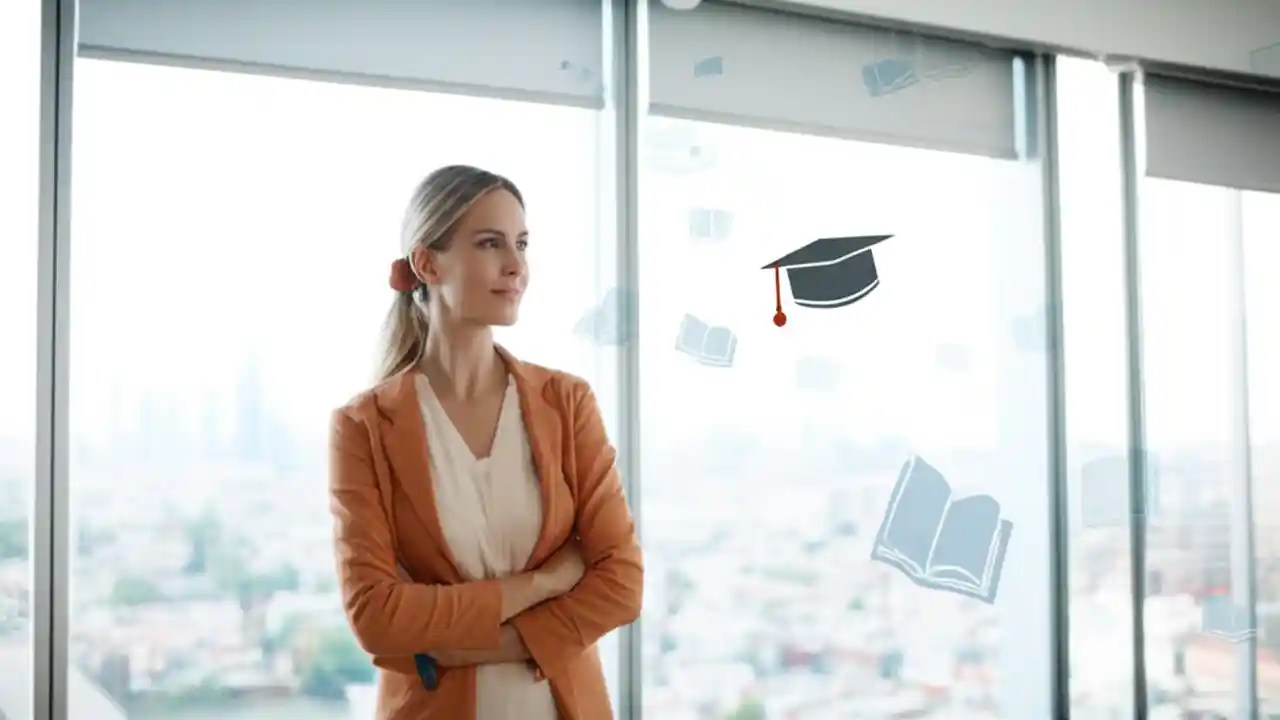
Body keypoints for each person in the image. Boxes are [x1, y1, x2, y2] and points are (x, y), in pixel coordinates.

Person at [327, 164, 643, 719]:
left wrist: (454, 646)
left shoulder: (566, 404)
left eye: (520, 243)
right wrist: (544, 582)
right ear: (427, 263)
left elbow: (621, 583)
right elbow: (376, 616)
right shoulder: (364, 427)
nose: (516, 266)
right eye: (490, 243)